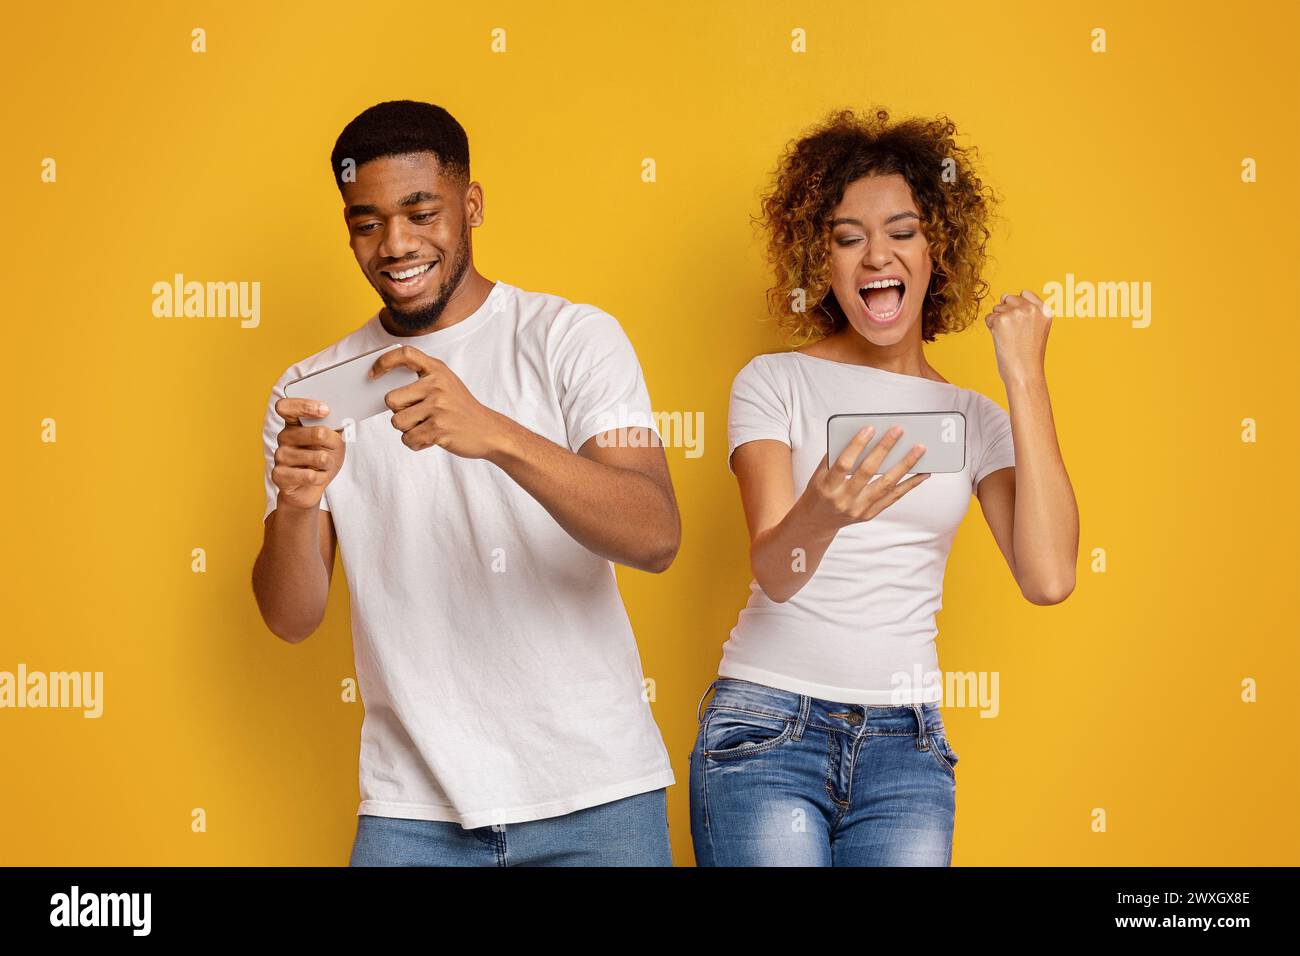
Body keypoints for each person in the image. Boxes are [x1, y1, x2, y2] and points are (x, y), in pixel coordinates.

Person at [251, 100, 680, 866]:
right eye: (367, 222)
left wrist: (496, 434)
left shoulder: (572, 338)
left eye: (422, 212)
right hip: (410, 810)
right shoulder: (312, 388)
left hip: (597, 797)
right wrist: (296, 505)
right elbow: (290, 618)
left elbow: (654, 536)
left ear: (471, 204)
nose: (397, 245)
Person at [690, 107, 1079, 867]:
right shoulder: (775, 382)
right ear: (822, 260)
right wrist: (822, 514)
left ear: (937, 250)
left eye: (902, 232)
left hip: (908, 748)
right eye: (847, 237)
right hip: (769, 727)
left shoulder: (976, 417)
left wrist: (1025, 375)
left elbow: (1050, 576)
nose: (877, 256)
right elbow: (776, 571)